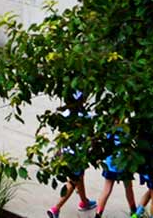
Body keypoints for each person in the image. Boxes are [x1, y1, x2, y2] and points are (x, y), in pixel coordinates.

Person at [45, 90, 98, 218]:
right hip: (78, 154)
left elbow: (61, 135)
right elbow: (91, 136)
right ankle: (56, 208)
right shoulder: (85, 116)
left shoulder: (65, 114)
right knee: (74, 181)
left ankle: (84, 201)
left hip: (66, 151)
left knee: (79, 176)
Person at [93, 128, 139, 218]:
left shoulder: (108, 128)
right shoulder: (126, 129)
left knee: (106, 190)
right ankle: (134, 212)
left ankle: (98, 215)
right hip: (124, 164)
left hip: (111, 164)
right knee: (128, 188)